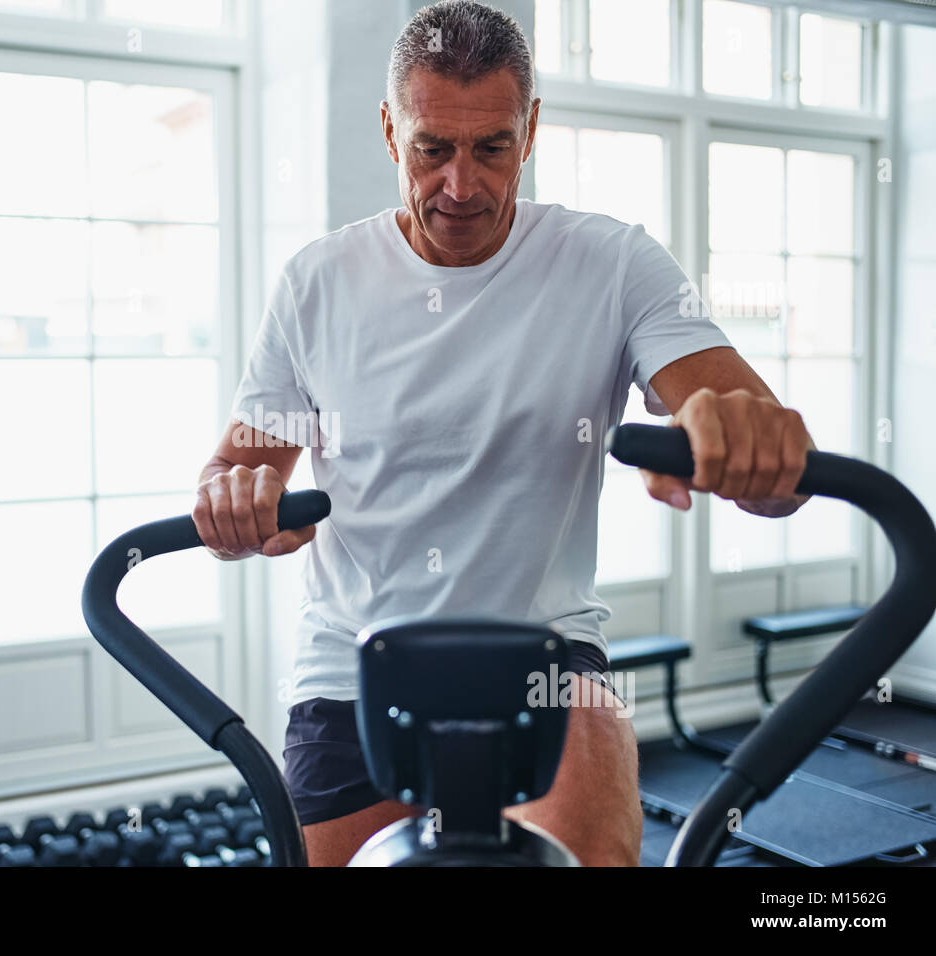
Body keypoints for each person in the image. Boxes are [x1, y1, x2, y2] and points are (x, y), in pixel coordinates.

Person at [192, 0, 812, 866]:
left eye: (491, 148)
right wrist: (236, 502)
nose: (461, 186)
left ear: (531, 131)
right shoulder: (318, 283)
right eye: (432, 149)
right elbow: (237, 476)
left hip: (546, 656)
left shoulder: (614, 263)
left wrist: (747, 448)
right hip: (356, 667)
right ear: (387, 131)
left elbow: (763, 457)